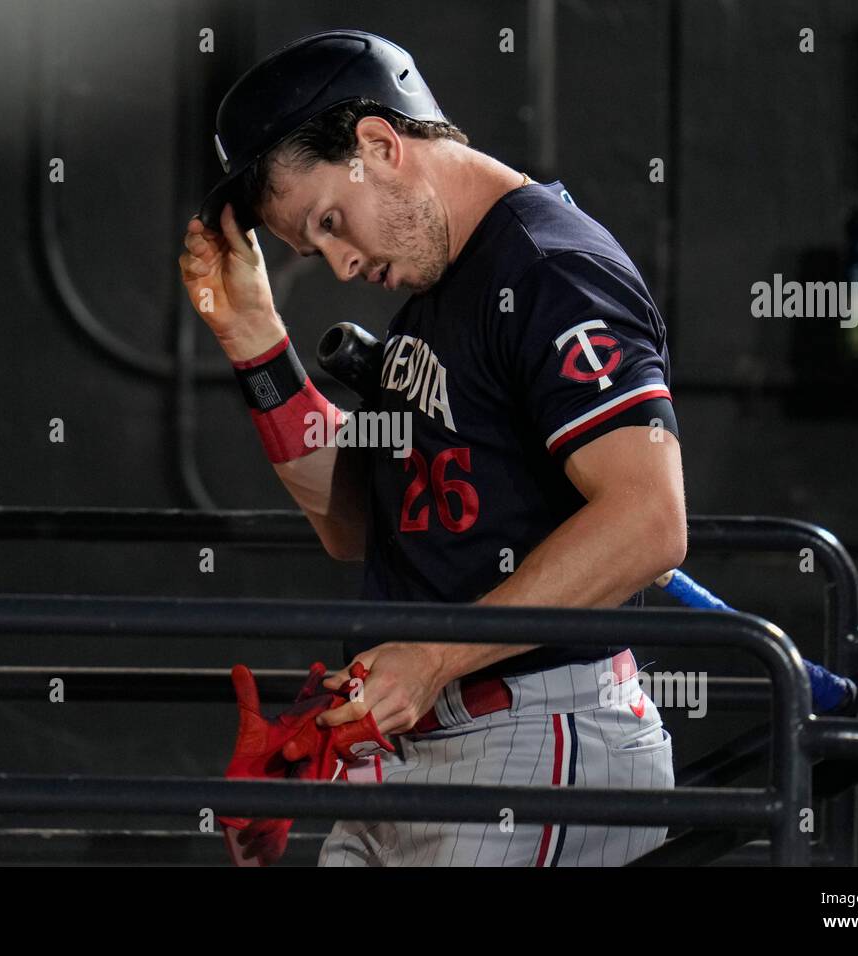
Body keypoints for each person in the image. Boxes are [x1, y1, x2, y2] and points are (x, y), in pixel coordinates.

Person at [178, 30, 685, 867]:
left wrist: (436, 656)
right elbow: (354, 525)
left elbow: (650, 520)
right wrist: (254, 341)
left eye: (331, 223)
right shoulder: (436, 290)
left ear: (381, 144)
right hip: (415, 746)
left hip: (535, 740)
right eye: (316, 247)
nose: (340, 264)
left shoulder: (551, 267)